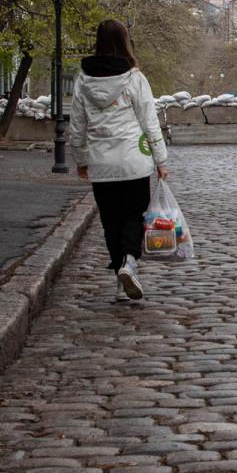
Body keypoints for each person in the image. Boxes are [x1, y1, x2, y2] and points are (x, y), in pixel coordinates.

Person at [69, 19, 169, 301]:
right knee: (134, 215)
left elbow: (77, 125)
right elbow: (149, 122)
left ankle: (120, 277)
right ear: (125, 42)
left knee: (110, 221)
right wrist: (161, 160)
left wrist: (81, 159)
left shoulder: (83, 80)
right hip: (134, 160)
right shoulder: (134, 78)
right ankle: (129, 262)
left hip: (101, 163)